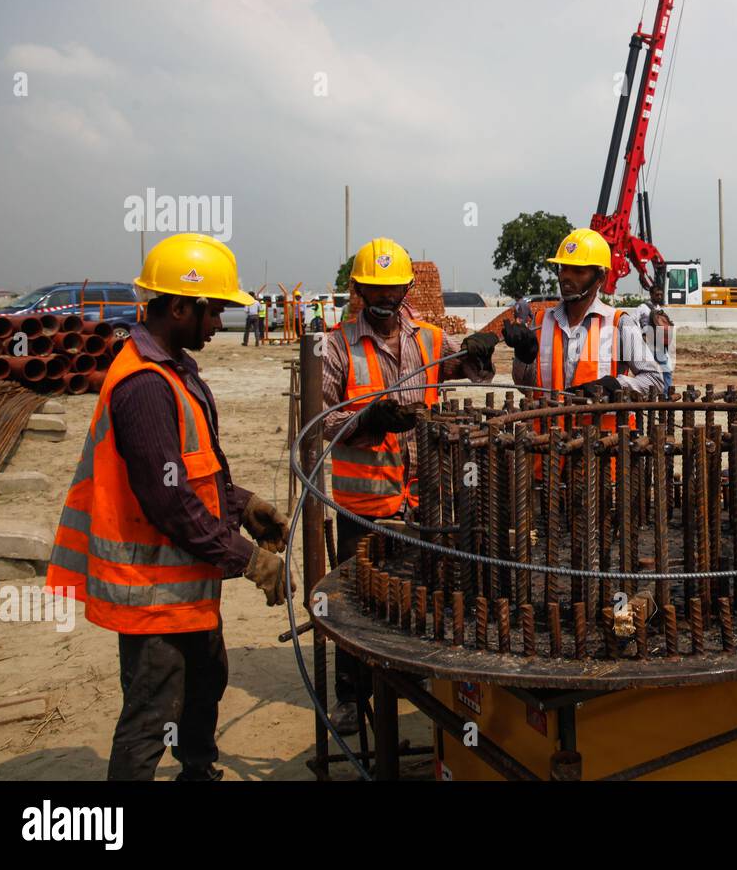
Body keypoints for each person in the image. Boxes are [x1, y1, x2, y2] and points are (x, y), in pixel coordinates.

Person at [46, 233, 293, 781]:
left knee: (204, 689)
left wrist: (243, 504)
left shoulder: (176, 370)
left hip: (185, 589)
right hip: (152, 594)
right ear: (180, 306)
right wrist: (249, 560)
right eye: (214, 311)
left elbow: (192, 473)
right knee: (152, 717)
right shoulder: (144, 385)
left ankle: (198, 774)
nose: (219, 323)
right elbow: (170, 502)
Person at [321, 237, 497, 733]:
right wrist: (368, 418)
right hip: (365, 500)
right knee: (354, 597)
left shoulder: (428, 338)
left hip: (423, 496)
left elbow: (475, 374)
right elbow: (323, 423)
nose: (384, 298)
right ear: (358, 289)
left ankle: (409, 676)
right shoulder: (337, 345)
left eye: (392, 289)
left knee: (419, 587)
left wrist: (479, 355)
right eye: (374, 289)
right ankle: (351, 694)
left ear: (405, 289)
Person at [502, 228, 665, 400]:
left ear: (601, 278)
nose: (566, 277)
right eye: (564, 268)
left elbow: (655, 380)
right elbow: (525, 387)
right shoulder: (541, 322)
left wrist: (615, 386)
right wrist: (523, 357)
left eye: (578, 271)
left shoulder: (619, 323)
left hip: (600, 419)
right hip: (548, 418)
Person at [634, 280, 675, 396]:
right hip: (647, 343)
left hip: (658, 343)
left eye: (661, 294)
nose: (659, 297)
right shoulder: (642, 307)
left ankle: (666, 395)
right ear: (651, 294)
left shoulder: (659, 308)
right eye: (657, 294)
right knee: (648, 370)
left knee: (666, 369)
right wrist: (641, 335)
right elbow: (633, 320)